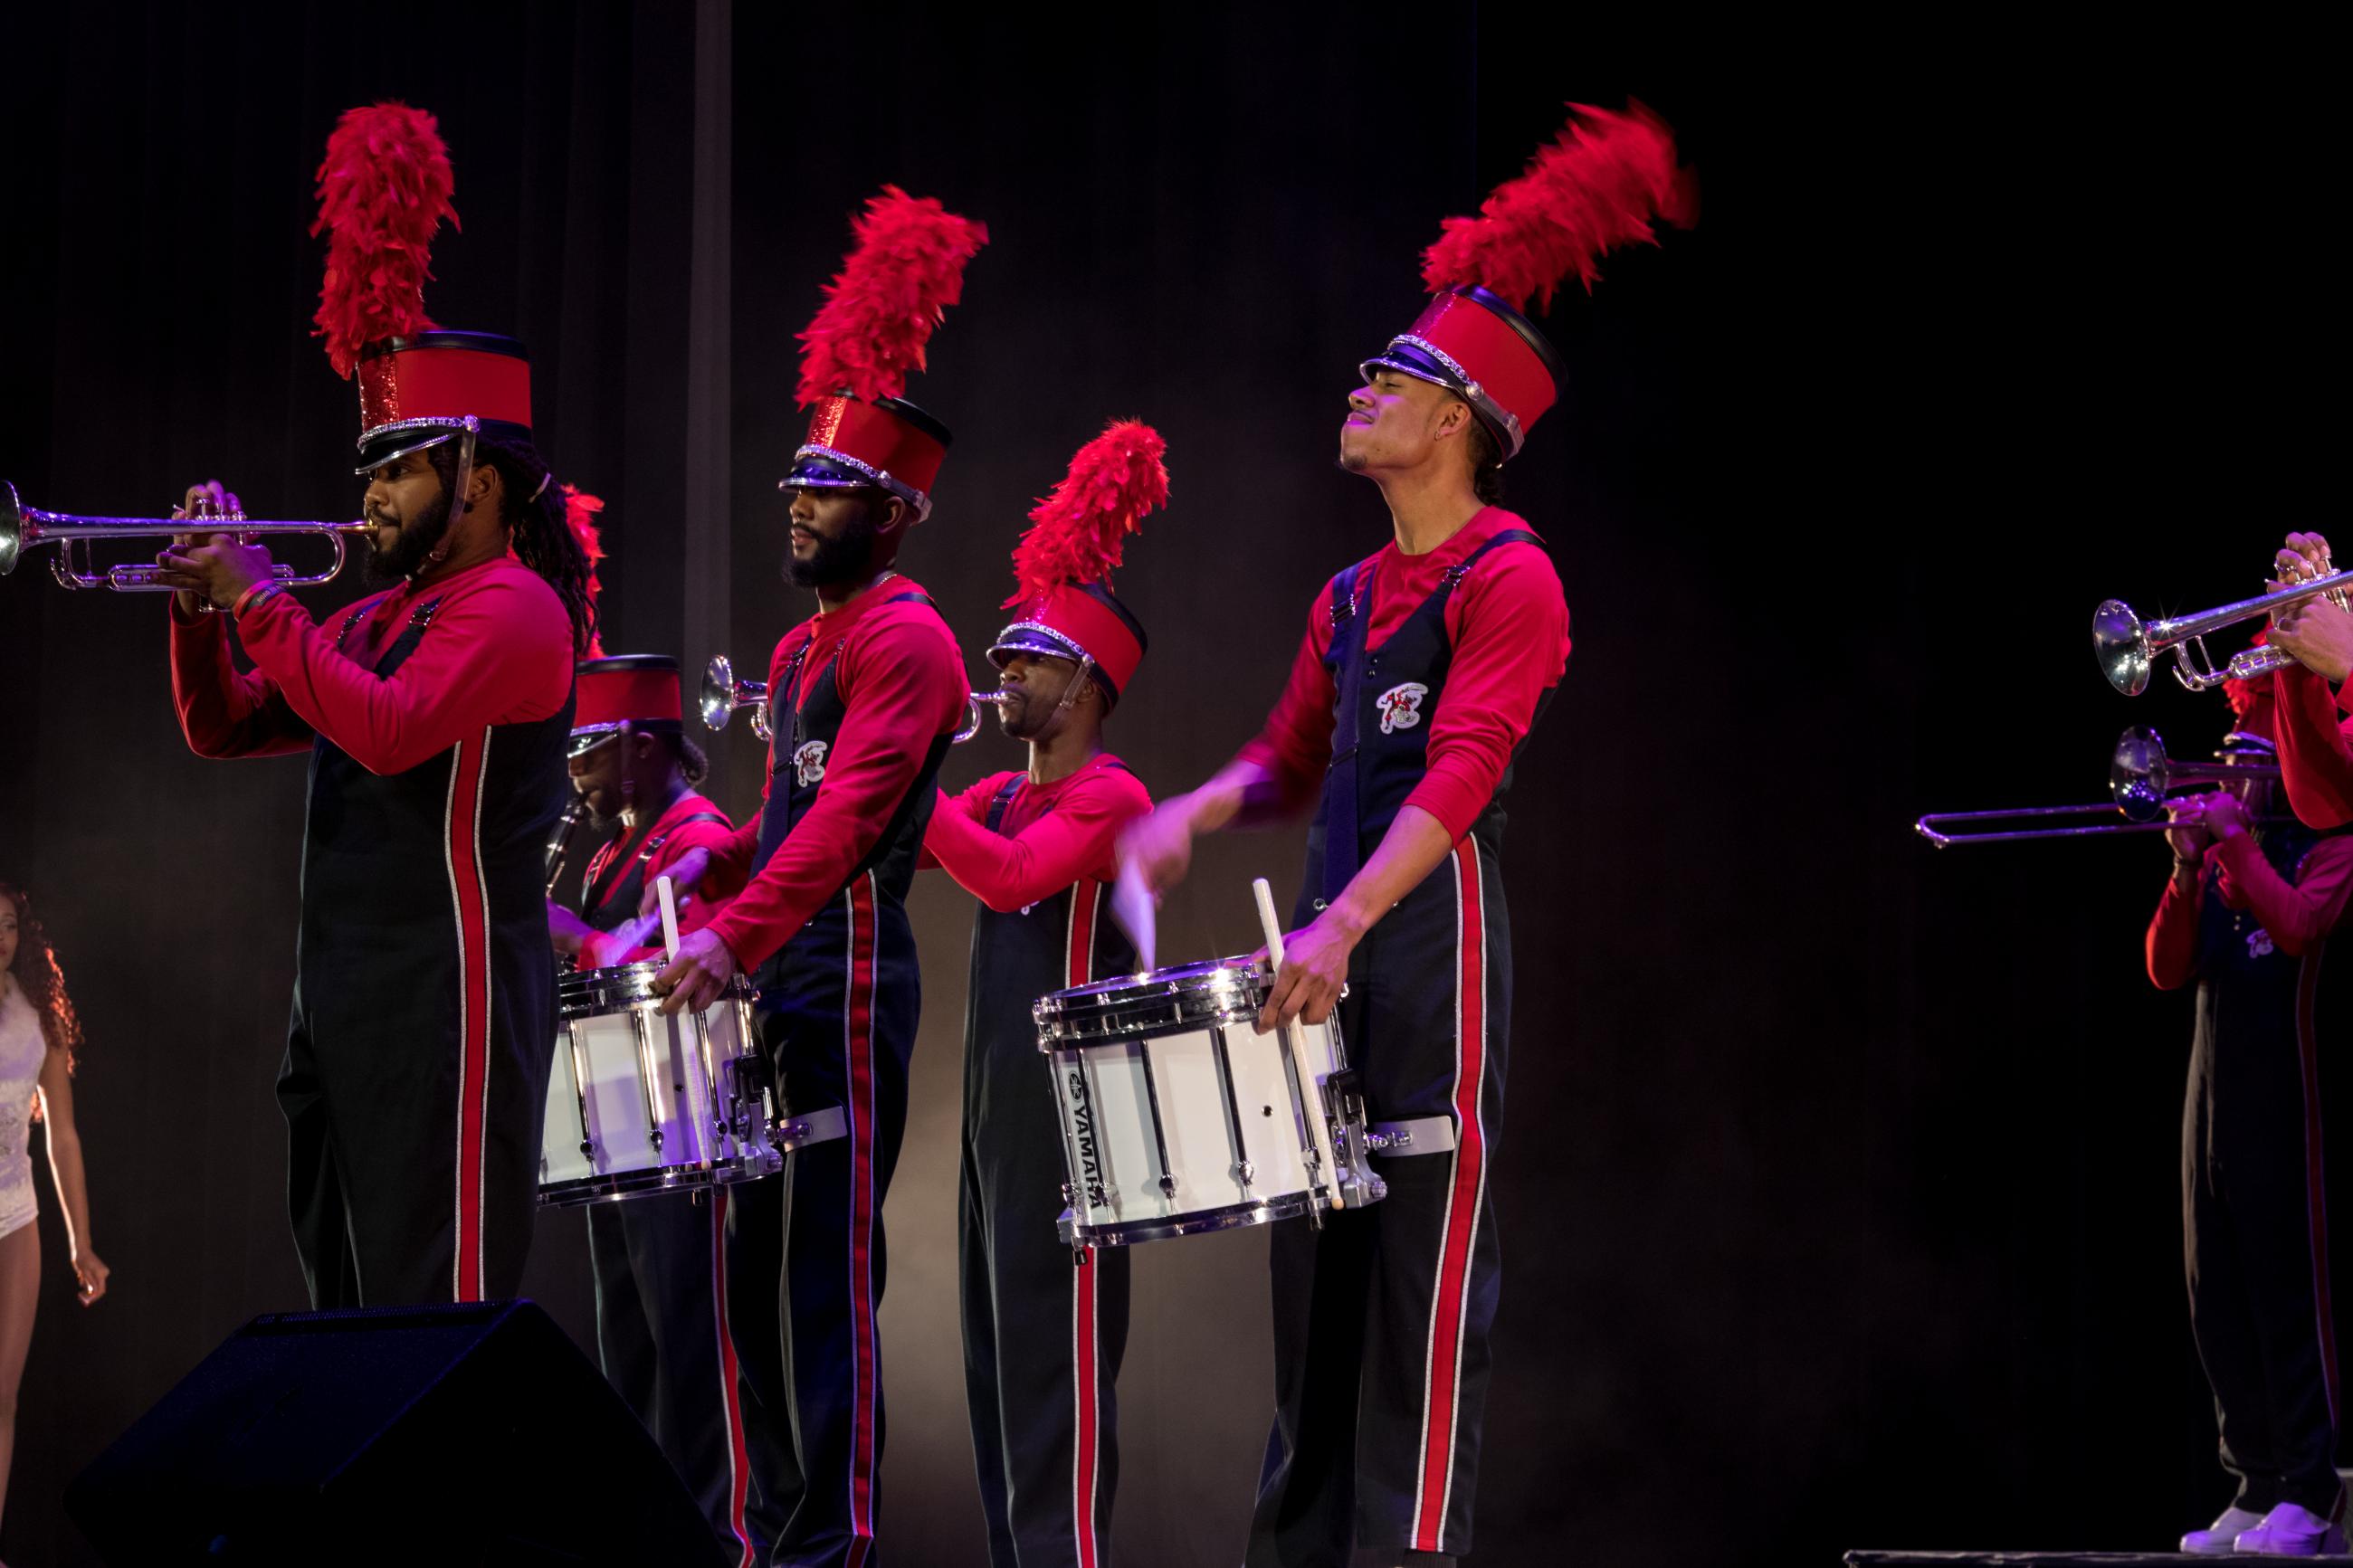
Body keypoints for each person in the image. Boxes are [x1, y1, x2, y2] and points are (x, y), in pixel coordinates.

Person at [1119, 105, 1690, 1567]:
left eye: (1393, 375)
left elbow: (1464, 768)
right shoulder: (1350, 593)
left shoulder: (1513, 577)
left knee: (1414, 1317)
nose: (1360, 388)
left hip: (1425, 958)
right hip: (1333, 960)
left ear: (1456, 419)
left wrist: (1340, 923)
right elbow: (1293, 753)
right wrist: (1197, 806)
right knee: (1313, 1296)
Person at [154, 103, 593, 1307]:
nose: (372, 494)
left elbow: (390, 726)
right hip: (341, 997)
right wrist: (200, 604)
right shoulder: (366, 616)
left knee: (430, 1317)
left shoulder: (512, 612)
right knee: (344, 1308)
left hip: (444, 1002)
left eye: (397, 467)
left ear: (479, 480)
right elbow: (226, 725)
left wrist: (254, 596)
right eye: (369, 469)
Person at [655, 186, 983, 1566]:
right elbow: (779, 810)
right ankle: (758, 1529)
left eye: (826, 490)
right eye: (795, 483)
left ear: (892, 513)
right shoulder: (798, 655)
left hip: (843, 967)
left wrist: (731, 932)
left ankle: (828, 1546)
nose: (796, 505)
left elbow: (847, 820)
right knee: (743, 1269)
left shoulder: (907, 641)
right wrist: (689, 864)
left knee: (824, 1273)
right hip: (779, 957)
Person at [920, 422, 1167, 1568]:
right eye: (1002, 653)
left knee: (1054, 1371)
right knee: (993, 1364)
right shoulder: (1003, 792)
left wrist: (902, 775)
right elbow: (916, 841)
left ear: (1085, 683)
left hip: (1064, 1117)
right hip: (991, 1113)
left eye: (1024, 659)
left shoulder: (1110, 795)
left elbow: (1009, 876)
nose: (999, 672)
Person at [547, 654, 765, 1564]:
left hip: (682, 1125)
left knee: (691, 1348)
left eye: (589, 754)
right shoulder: (606, 847)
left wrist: (552, 925)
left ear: (642, 746)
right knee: (628, 1347)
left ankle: (717, 1542)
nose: (576, 775)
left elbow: (635, 956)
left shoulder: (695, 833)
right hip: (616, 1125)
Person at [2150, 675, 2353, 1557]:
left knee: (2283, 1288)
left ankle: (2311, 1490)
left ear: (2281, 776)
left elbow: (2302, 924)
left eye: (2244, 769)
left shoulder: (2323, 844)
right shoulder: (2232, 853)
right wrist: (2185, 863)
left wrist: (2234, 848)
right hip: (2213, 1089)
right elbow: (2163, 968)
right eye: (2223, 769)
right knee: (2214, 1288)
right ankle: (2257, 1477)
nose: (2226, 784)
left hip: (2290, 1091)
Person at [0, 882, 106, 1548]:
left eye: (8, 924)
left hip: (15, 1217)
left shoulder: (37, 1014)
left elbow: (60, 1135)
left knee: (1, 1397)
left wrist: (82, 1244)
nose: (0, 938)